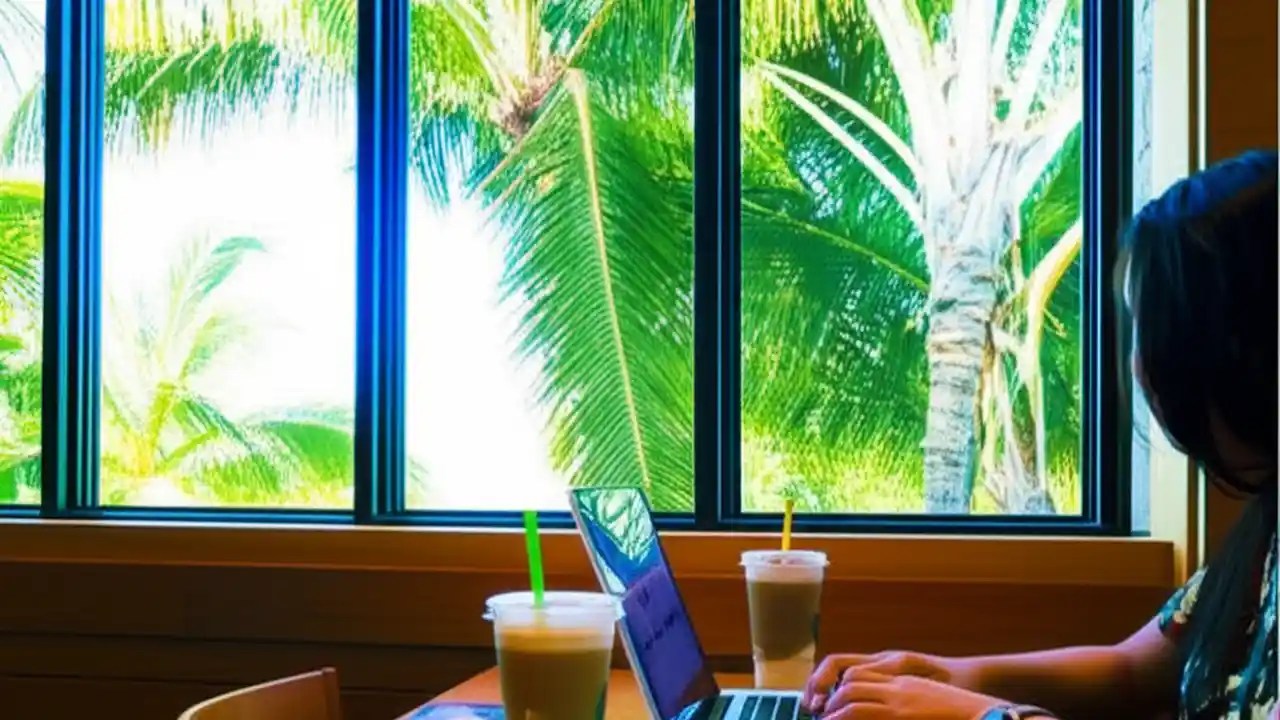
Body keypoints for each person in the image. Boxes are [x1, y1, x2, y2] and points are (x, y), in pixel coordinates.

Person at [802, 150, 1278, 720]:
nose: (1137, 366)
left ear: (1237, 350)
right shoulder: (1263, 534)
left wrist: (981, 715)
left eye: (1151, 333)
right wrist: (943, 674)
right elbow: (1133, 670)